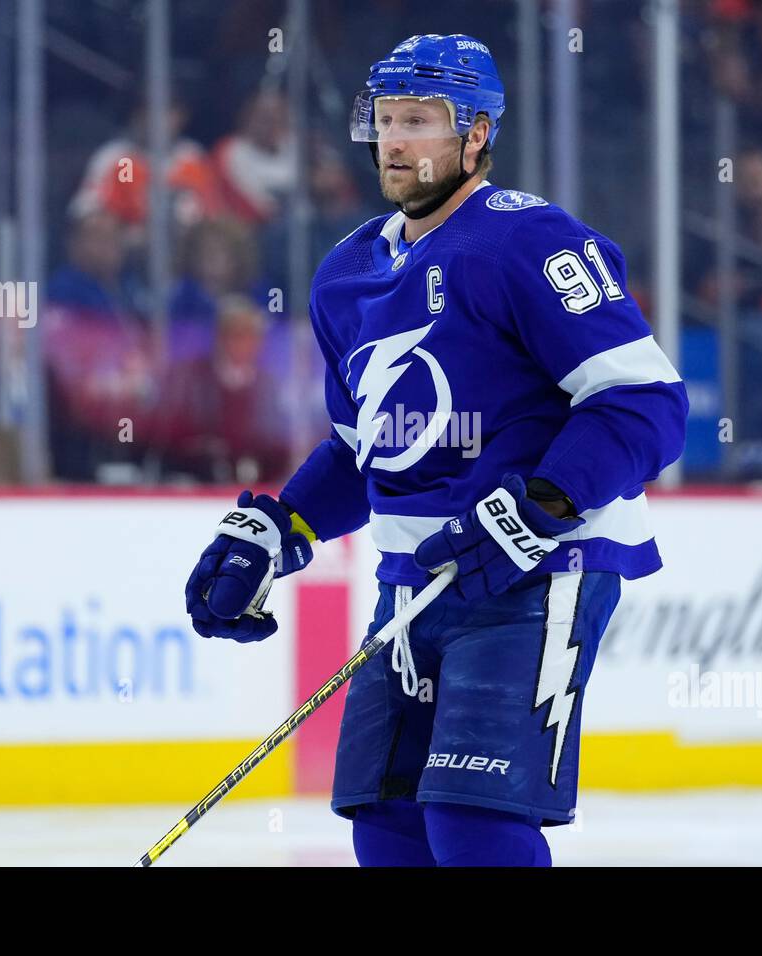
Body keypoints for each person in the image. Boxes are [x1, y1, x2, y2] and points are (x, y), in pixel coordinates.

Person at [183, 34, 688, 866]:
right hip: (414, 584)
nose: (394, 140)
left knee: (474, 819)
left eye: (419, 120)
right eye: (385, 120)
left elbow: (644, 402)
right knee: (389, 826)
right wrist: (282, 530)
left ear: (478, 134)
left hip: (540, 571)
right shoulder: (347, 274)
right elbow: (361, 452)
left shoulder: (532, 243)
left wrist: (545, 504)